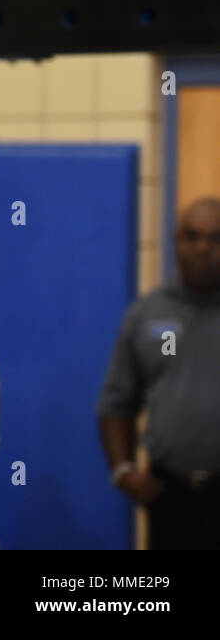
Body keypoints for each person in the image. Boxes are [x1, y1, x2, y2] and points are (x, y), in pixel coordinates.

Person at [97, 197, 220, 550]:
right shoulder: (147, 314)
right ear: (175, 241)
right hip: (170, 498)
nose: (203, 248)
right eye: (192, 236)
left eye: (215, 238)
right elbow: (116, 403)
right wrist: (123, 470)